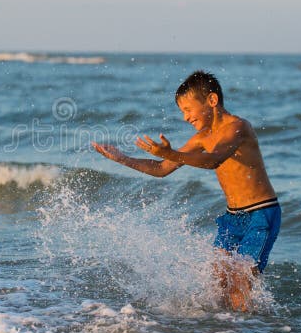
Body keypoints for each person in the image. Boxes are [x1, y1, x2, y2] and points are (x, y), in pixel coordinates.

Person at [92, 71, 280, 311]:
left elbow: (214, 160)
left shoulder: (239, 127)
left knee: (240, 283)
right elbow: (162, 169)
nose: (185, 117)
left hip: (260, 215)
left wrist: (170, 153)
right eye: (182, 111)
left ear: (212, 101)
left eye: (188, 110)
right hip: (233, 218)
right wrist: (122, 158)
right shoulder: (202, 136)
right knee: (219, 282)